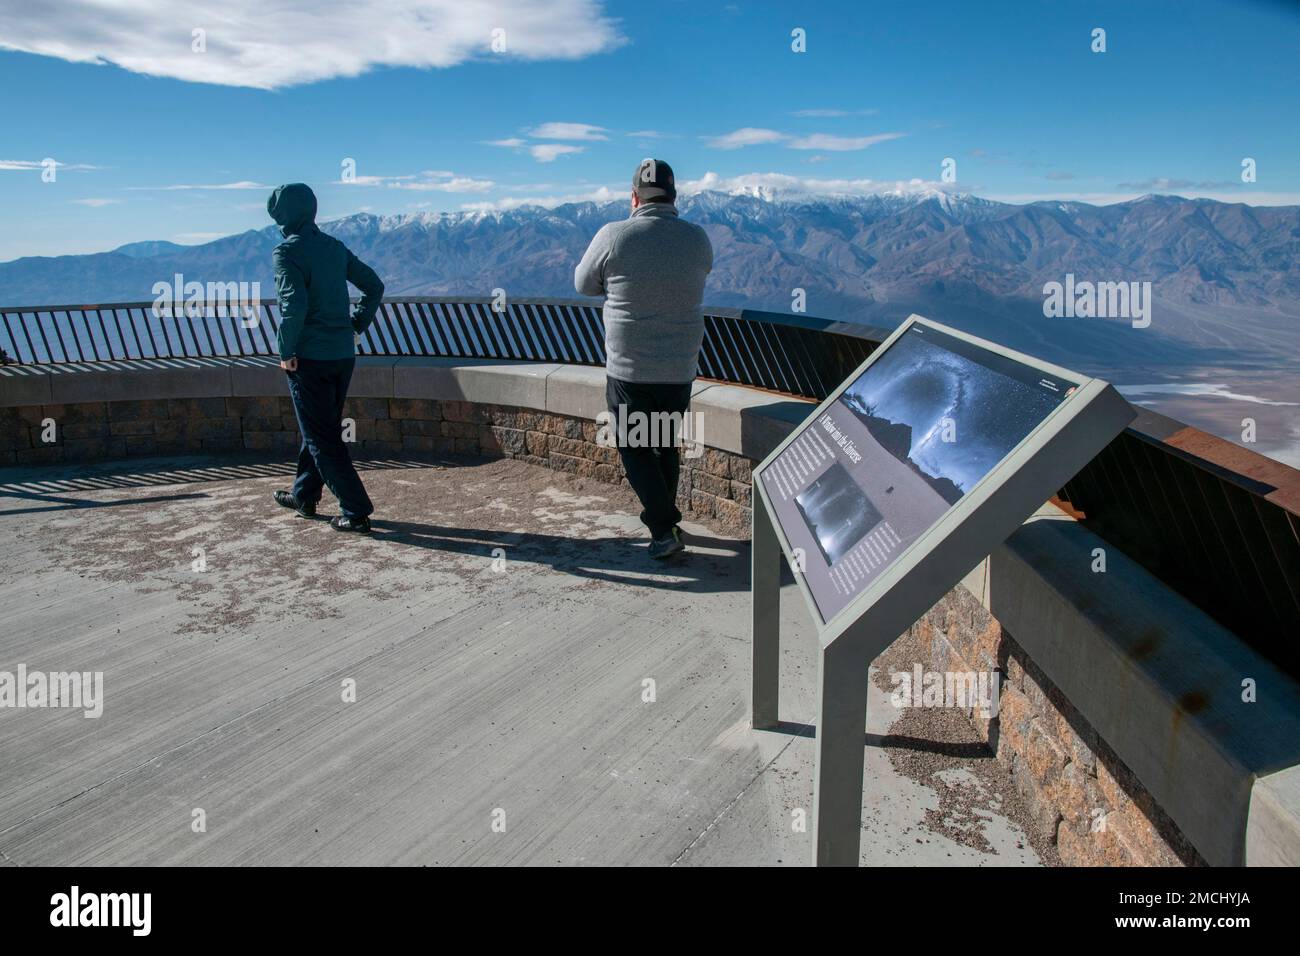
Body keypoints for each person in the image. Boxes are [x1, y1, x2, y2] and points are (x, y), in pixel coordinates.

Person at [574, 159, 713, 559]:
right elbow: (702, 270)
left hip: (630, 367)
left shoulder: (614, 235)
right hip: (679, 365)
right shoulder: (697, 238)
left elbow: (584, 284)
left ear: (634, 197)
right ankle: (667, 526)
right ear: (674, 197)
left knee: (634, 446)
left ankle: (662, 526)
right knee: (664, 444)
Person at [267, 183, 385, 534]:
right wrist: (355, 324)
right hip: (342, 355)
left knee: (321, 436)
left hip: (309, 358)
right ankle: (304, 496)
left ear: (283, 216)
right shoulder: (334, 247)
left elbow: (294, 307)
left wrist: (286, 351)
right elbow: (374, 286)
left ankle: (356, 510)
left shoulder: (287, 253)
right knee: (317, 428)